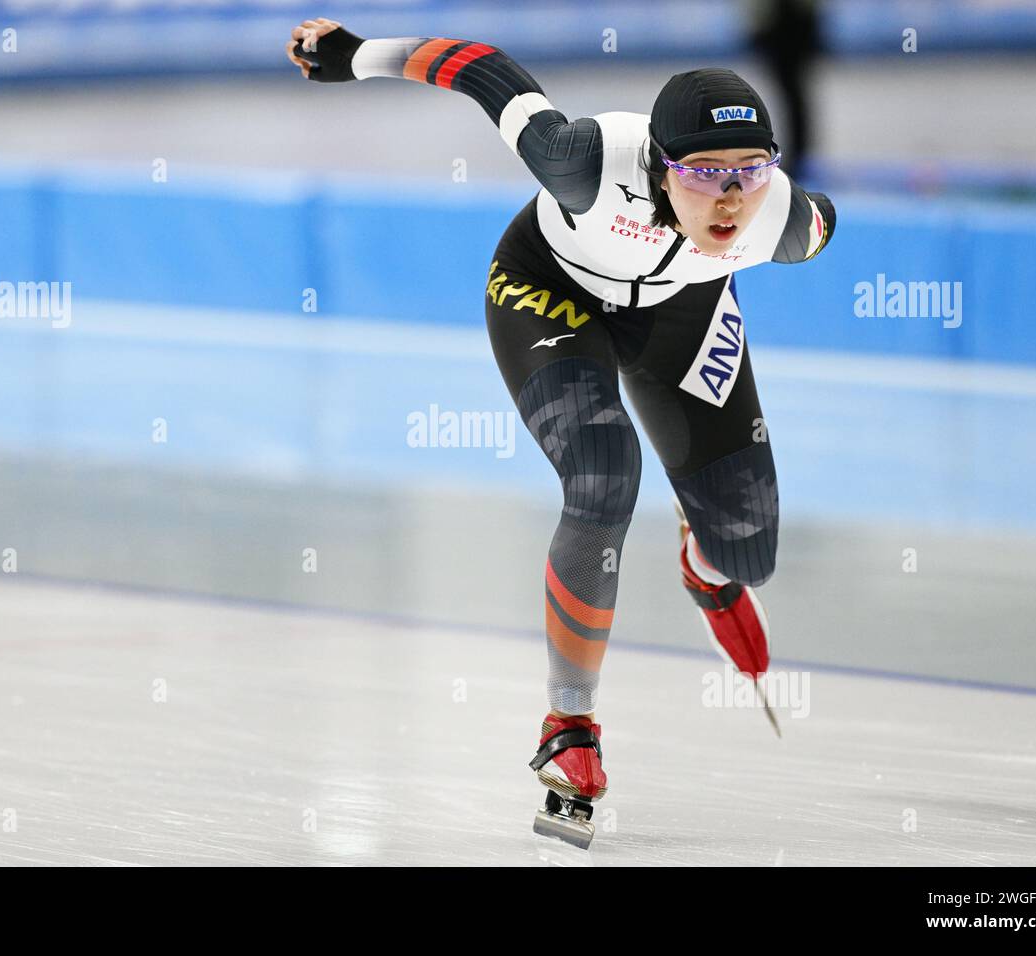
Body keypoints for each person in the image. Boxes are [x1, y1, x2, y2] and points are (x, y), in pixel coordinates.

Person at [286, 17, 835, 839]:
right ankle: (568, 727)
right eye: (706, 172)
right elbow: (482, 66)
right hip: (551, 293)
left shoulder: (784, 223)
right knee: (605, 475)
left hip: (679, 318)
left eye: (750, 172)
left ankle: (703, 562)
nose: (730, 198)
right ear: (657, 162)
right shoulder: (582, 162)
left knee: (747, 555)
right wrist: (352, 57)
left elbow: (817, 218)